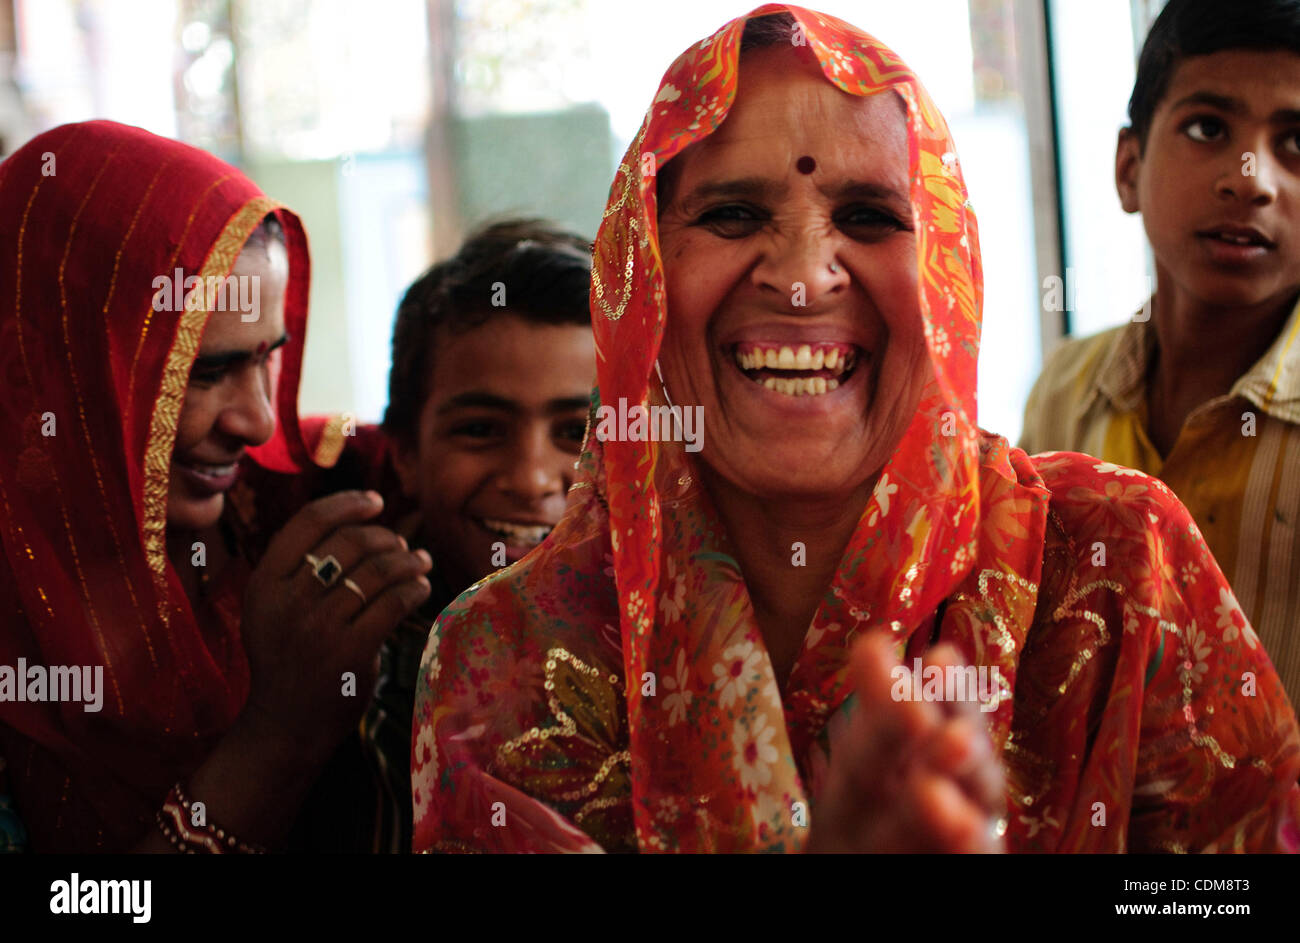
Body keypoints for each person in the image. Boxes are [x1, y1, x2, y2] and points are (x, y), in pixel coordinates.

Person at [410, 6, 1300, 853]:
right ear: (640, 274)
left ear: (945, 271)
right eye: (731, 215)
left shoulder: (1117, 566)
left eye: (869, 216)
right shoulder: (510, 648)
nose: (803, 277)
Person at [0, 120, 432, 852]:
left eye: (268, 358)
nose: (261, 420)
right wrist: (279, 734)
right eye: (202, 371)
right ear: (58, 363)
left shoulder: (297, 499)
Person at [1020, 0, 1300, 707]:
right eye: (1208, 127)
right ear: (1128, 167)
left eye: (1296, 143)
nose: (1250, 180)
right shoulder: (1063, 392)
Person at [292, 219, 596, 853]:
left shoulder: (682, 633)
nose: (531, 479)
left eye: (579, 433)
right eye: (482, 430)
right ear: (402, 449)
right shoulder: (339, 649)